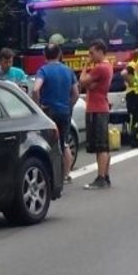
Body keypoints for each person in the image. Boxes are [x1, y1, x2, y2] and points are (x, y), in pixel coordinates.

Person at [35, 42, 77, 175]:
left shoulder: (43, 70)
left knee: (49, 143)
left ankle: (52, 174)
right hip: (64, 111)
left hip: (48, 111)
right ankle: (66, 174)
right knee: (64, 142)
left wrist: (38, 106)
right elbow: (75, 93)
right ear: (59, 54)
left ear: (44, 55)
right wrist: (69, 105)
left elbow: (36, 89)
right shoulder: (68, 70)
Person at [79, 40, 115, 189]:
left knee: (100, 146)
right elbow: (88, 84)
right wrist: (89, 84)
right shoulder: (107, 67)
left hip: (96, 108)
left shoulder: (100, 68)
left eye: (92, 53)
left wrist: (85, 67)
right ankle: (105, 176)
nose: (90, 56)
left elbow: (82, 81)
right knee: (104, 145)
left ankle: (101, 177)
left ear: (100, 51)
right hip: (101, 107)